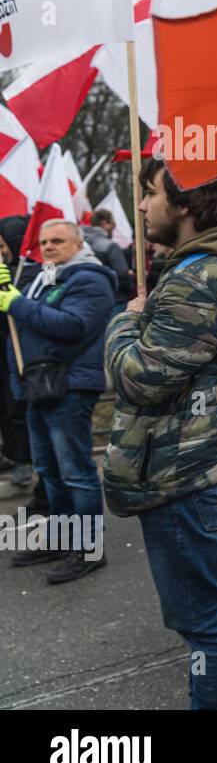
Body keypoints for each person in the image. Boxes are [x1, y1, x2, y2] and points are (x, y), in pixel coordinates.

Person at [101, 160, 217, 709]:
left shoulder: (199, 277)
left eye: (149, 195)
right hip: (199, 463)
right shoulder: (208, 267)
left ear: (187, 204)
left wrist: (128, 318)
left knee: (206, 623)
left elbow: (138, 379)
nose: (142, 208)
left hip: (179, 473)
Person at [3, 220, 116, 582]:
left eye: (57, 241)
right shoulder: (48, 275)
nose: (48, 247)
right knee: (50, 472)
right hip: (41, 385)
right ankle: (63, 538)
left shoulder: (91, 279)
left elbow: (71, 326)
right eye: (44, 241)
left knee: (76, 473)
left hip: (69, 387)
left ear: (78, 242)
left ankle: (88, 548)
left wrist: (16, 303)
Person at [0, 216, 38, 503]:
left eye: (3, 244)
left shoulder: (27, 272)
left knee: (15, 407)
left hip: (15, 351)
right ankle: (10, 454)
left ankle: (23, 459)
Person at [86, 209, 134, 312]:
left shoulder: (78, 244)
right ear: (104, 223)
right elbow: (122, 273)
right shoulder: (110, 246)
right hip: (115, 300)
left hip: (87, 300)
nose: (114, 227)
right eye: (113, 223)